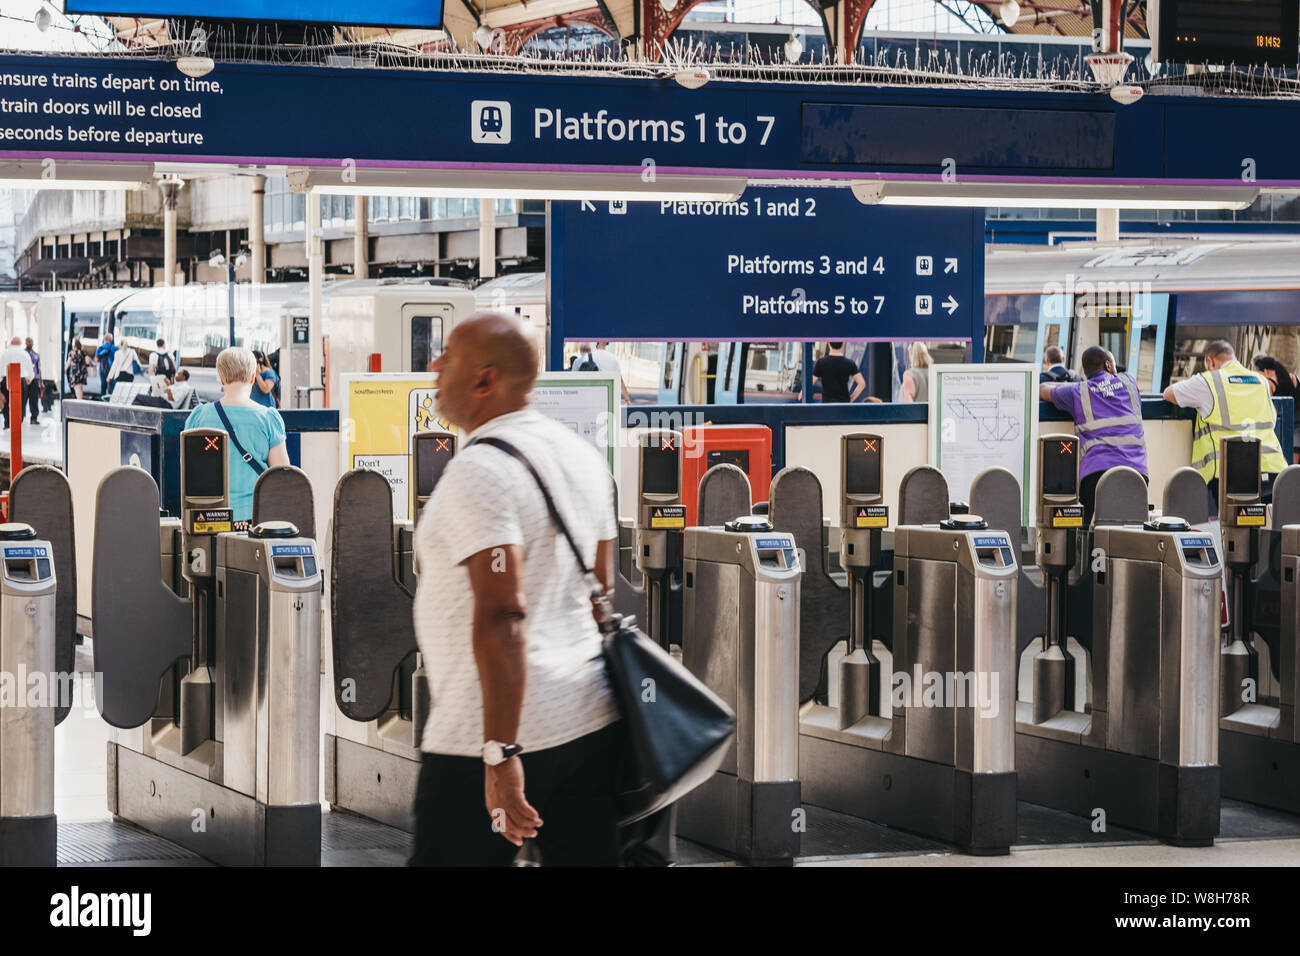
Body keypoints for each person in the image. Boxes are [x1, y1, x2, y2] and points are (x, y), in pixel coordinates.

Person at [410, 313, 624, 867]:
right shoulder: (582, 456)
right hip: (587, 720)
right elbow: (600, 585)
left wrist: (500, 752)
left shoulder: (480, 470)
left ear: (484, 381)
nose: (434, 367)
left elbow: (504, 612)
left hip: (483, 737)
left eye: (448, 357)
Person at [1163, 340, 1288, 510]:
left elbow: (1169, 394)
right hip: (1273, 472)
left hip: (1230, 476)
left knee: (1229, 532)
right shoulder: (1261, 381)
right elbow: (1271, 420)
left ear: (1210, 361)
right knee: (1265, 531)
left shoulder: (1208, 381)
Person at [1041, 345, 1149, 526]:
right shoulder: (1129, 382)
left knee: (1084, 530)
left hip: (1096, 475)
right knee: (1133, 529)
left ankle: (1089, 552)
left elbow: (1043, 389)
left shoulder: (1078, 392)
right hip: (1136, 473)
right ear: (1108, 365)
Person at [184, 348, 288, 523]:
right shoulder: (268, 418)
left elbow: (188, 470)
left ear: (221, 378)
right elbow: (281, 474)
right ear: (253, 378)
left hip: (209, 516)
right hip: (255, 515)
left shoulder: (199, 416)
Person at [1253, 354, 1300, 463]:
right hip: (1296, 424)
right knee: (1293, 466)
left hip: (1285, 427)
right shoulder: (1291, 377)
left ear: (1266, 371)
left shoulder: (1269, 384)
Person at [0, 336, 34, 430]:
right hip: (20, 380)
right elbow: (30, 367)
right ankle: (18, 423)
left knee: (6, 402)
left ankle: (7, 422)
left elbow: (0, 367)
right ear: (20, 344)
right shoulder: (24, 353)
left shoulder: (4, 353)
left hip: (6, 379)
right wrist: (29, 378)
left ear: (11, 343)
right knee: (21, 403)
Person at [23, 337, 42, 424]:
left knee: (34, 399)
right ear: (26, 343)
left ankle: (34, 418)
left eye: (31, 341)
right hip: (25, 379)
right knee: (23, 399)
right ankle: (20, 417)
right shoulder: (22, 354)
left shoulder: (36, 355)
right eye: (28, 342)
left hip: (34, 380)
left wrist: (41, 382)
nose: (30, 343)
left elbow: (38, 369)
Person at [95, 333, 118, 399]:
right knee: (112, 388)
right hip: (113, 371)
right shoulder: (115, 348)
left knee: (103, 387)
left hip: (103, 370)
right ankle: (112, 401)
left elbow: (96, 360)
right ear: (111, 339)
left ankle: (103, 401)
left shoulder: (100, 348)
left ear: (104, 339)